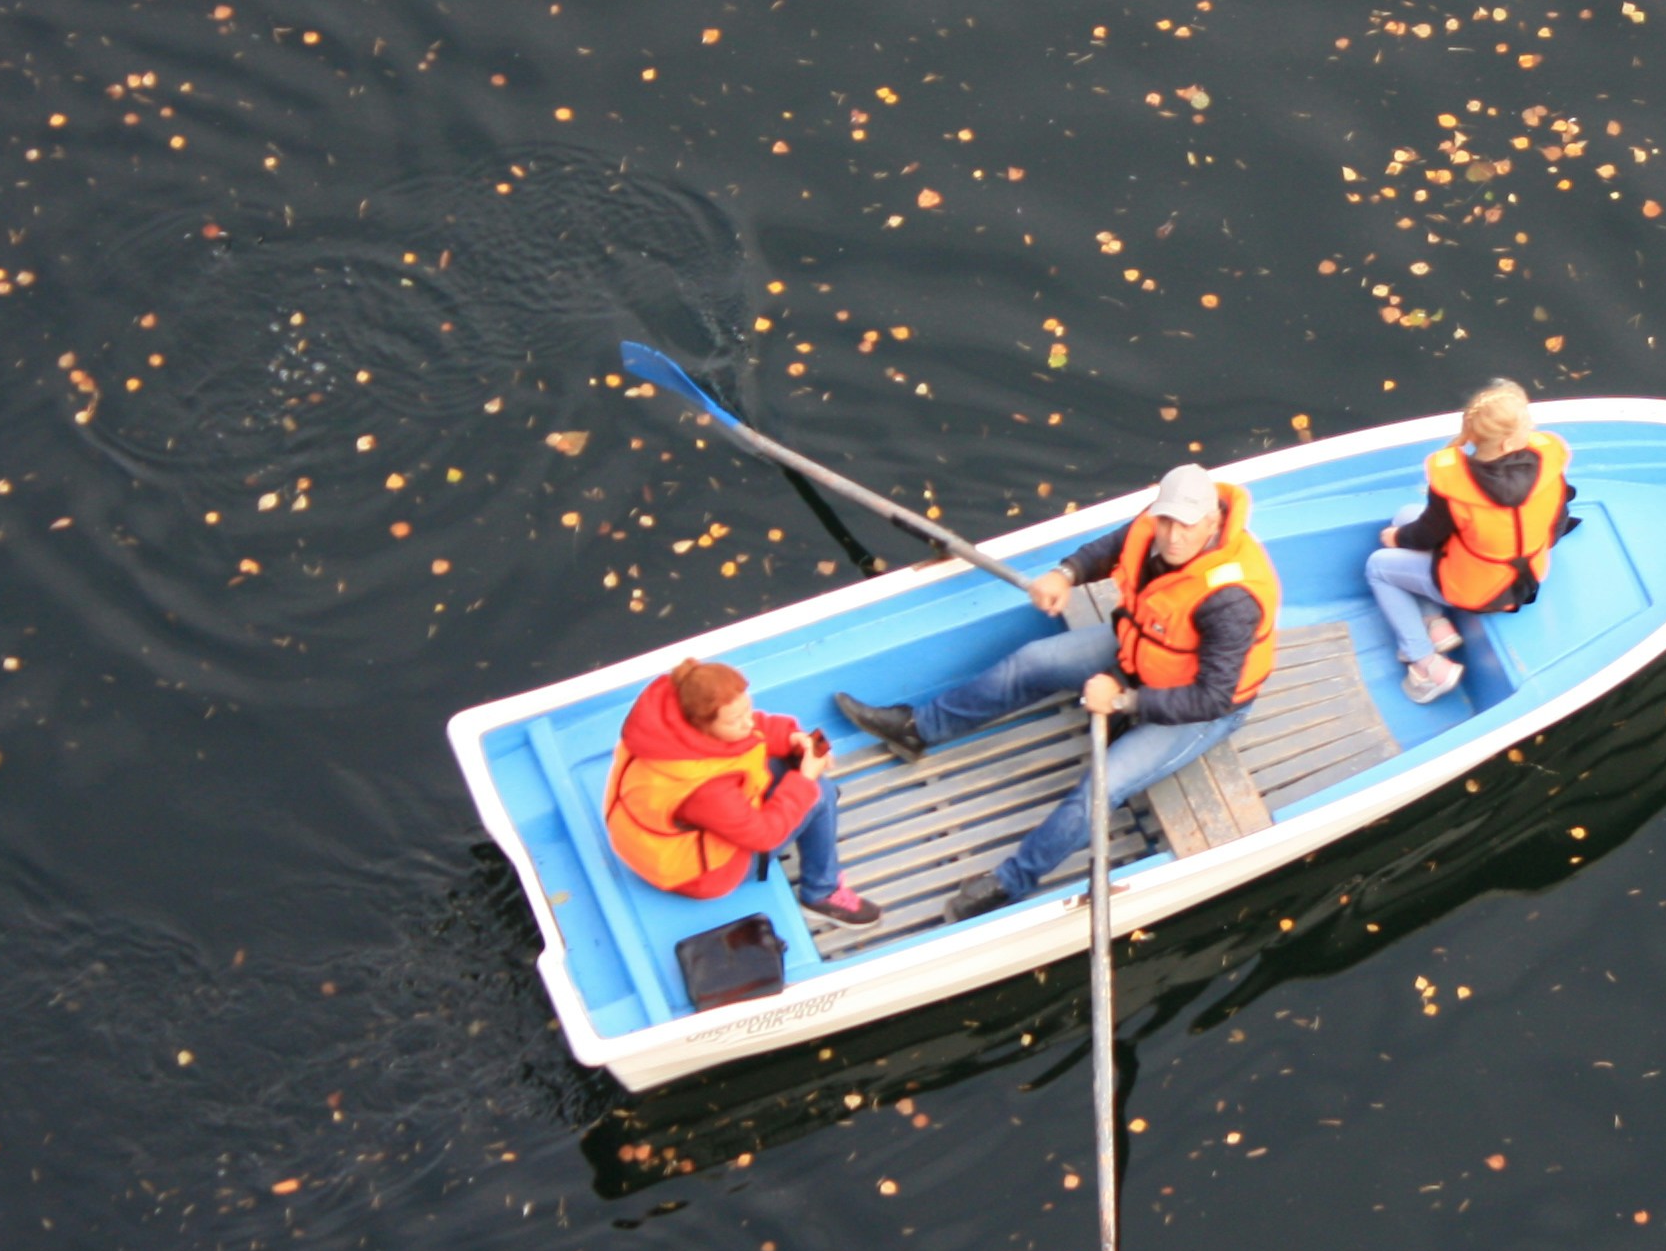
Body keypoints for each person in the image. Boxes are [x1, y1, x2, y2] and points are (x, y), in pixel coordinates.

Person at [833, 462, 1280, 920]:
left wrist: (1125, 700)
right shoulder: (1158, 524)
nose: (1172, 535)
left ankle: (1011, 883)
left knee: (1098, 789)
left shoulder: (1230, 599)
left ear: (1212, 522)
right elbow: (1113, 547)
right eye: (1166, 520)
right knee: (1031, 662)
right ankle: (919, 728)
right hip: (1142, 649)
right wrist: (1065, 574)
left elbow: (1213, 698)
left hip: (1198, 708)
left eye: (1186, 525)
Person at [603, 657, 883, 930]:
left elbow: (755, 729)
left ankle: (813, 811)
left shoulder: (671, 729)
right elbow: (765, 835)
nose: (748, 723)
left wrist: (790, 738)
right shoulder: (704, 789)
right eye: (736, 720)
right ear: (702, 726)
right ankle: (821, 894)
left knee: (796, 766)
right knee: (818, 793)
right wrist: (805, 780)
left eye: (747, 711)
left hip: (661, 839)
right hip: (701, 875)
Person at [1367, 379, 1573, 702]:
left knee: (1378, 566)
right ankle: (1435, 624)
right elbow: (1558, 518)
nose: (1533, 429)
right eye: (1527, 425)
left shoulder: (1454, 482)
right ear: (1508, 445)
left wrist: (1396, 539)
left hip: (1480, 591)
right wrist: (1404, 534)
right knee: (1407, 513)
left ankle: (1427, 666)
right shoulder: (1549, 464)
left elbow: (1424, 537)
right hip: (1527, 576)